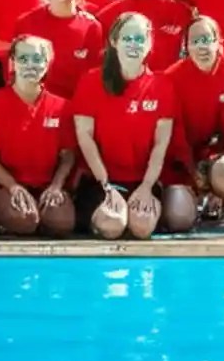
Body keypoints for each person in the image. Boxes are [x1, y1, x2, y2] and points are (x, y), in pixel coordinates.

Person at [71, 12, 174, 240]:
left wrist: (147, 187)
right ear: (114, 41)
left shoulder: (162, 85)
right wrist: (107, 185)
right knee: (112, 226)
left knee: (142, 228)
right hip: (100, 179)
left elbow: (160, 145)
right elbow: (84, 137)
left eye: (140, 39)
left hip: (142, 179)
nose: (133, 44)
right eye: (127, 38)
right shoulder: (91, 81)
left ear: (149, 45)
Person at [0, 35, 78, 237]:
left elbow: (68, 155)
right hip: (4, 186)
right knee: (24, 221)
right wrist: (13, 187)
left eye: (38, 59)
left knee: (62, 224)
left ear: (48, 62)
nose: (31, 65)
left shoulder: (62, 107)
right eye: (23, 59)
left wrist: (56, 186)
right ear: (13, 62)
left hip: (45, 185)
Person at [163, 16, 224, 229]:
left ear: (219, 42)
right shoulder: (171, 78)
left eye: (207, 39)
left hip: (217, 155)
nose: (202, 46)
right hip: (182, 158)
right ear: (186, 47)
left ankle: (222, 196)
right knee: (180, 219)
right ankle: (193, 196)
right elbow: (173, 133)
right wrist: (192, 172)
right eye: (195, 41)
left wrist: (218, 179)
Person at [13, 0, 103, 99]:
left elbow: (92, 82)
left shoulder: (92, 27)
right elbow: (15, 77)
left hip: (75, 110)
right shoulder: (26, 24)